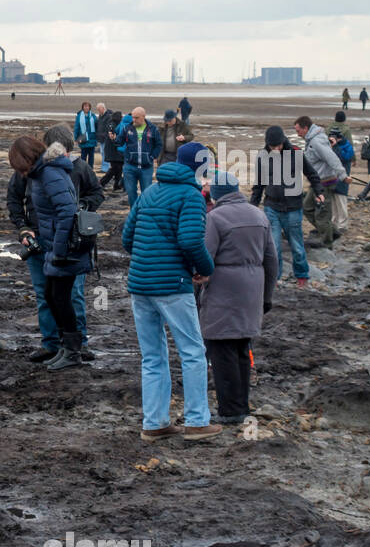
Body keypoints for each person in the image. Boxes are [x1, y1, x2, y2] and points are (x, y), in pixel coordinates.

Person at [120, 142, 220, 442]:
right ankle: (197, 421)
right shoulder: (190, 195)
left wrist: (148, 256)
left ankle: (154, 423)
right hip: (172, 286)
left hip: (140, 285)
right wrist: (206, 268)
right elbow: (190, 240)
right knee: (192, 353)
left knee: (152, 356)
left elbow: (128, 237)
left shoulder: (150, 191)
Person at [7, 126, 103, 364]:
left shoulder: (61, 170)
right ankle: (54, 345)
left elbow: (75, 205)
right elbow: (14, 199)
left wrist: (80, 214)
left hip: (63, 245)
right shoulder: (34, 172)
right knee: (48, 295)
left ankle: (75, 347)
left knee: (71, 295)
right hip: (42, 240)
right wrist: (23, 227)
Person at [199, 171, 277, 424]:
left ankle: (231, 411)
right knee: (243, 347)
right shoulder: (259, 215)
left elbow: (205, 257)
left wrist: (196, 282)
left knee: (222, 349)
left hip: (224, 290)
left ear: (218, 193)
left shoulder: (215, 217)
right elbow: (272, 260)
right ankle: (242, 406)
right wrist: (266, 296)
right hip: (253, 289)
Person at [251, 125, 314, 287]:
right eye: (273, 147)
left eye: (278, 146)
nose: (276, 149)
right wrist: (252, 205)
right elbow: (258, 184)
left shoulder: (295, 153)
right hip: (271, 206)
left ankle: (302, 277)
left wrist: (319, 190)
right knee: (274, 247)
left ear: (283, 141)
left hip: (293, 208)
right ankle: (274, 279)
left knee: (297, 246)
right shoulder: (262, 156)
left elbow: (311, 173)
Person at [294, 116, 346, 248]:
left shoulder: (316, 141)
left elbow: (331, 158)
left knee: (322, 213)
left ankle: (327, 243)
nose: (297, 133)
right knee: (307, 207)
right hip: (318, 181)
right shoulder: (314, 139)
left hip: (325, 182)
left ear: (305, 128)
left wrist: (343, 175)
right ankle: (332, 232)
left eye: (298, 130)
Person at [118, 106, 161, 207]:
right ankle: (134, 213)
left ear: (143, 117)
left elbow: (158, 145)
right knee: (131, 192)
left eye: (136, 118)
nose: (134, 120)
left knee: (146, 193)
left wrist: (152, 157)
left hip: (146, 167)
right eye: (133, 117)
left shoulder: (153, 129)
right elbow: (119, 142)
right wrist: (114, 138)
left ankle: (144, 212)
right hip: (130, 166)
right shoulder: (127, 128)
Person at [99, 109, 125, 191]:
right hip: (113, 151)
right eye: (121, 117)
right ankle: (102, 182)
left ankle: (116, 185)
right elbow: (113, 138)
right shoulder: (112, 125)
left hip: (116, 151)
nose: (122, 118)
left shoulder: (115, 125)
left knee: (118, 168)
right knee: (115, 168)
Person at [73, 101, 97, 166]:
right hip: (83, 139)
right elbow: (76, 127)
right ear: (82, 107)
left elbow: (97, 125)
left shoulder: (93, 115)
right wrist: (75, 138)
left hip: (92, 138)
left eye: (88, 106)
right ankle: (83, 169)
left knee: (91, 157)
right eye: (85, 106)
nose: (86, 107)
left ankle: (90, 169)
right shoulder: (79, 116)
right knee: (83, 156)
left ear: (90, 107)